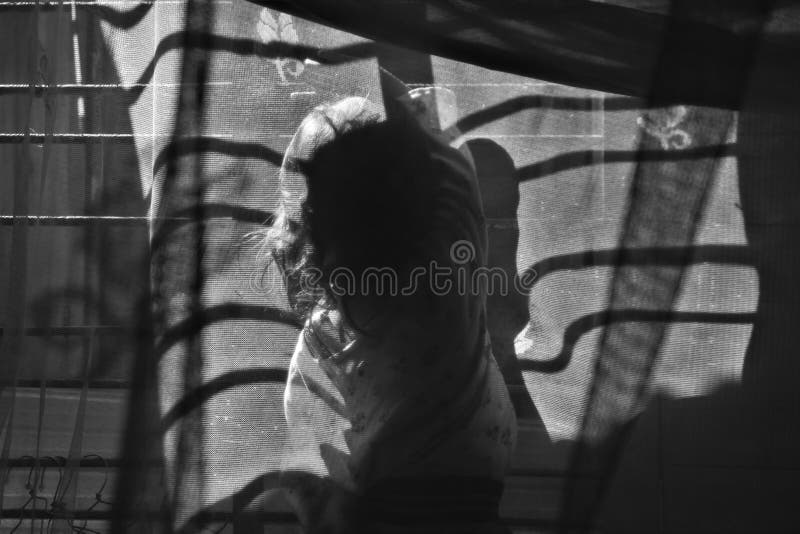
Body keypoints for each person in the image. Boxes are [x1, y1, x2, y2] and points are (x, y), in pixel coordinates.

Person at [263, 95, 517, 533]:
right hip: (466, 508)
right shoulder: (445, 286)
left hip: (377, 513)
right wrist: (411, 105)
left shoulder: (324, 335)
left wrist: (332, 515)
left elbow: (304, 460)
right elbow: (455, 175)